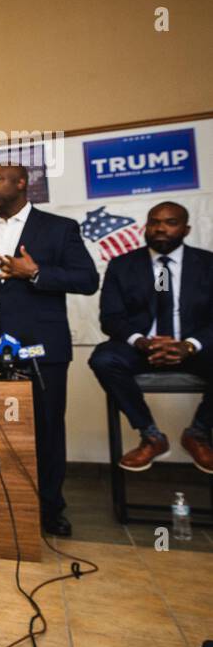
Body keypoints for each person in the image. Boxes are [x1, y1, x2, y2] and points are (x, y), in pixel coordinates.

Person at [0, 162, 99, 537]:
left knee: (46, 430)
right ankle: (2, 504)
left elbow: (87, 280)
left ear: (22, 183)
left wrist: (34, 273)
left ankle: (49, 508)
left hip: (42, 350)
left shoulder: (58, 229)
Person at [88, 201, 213, 473]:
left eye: (170, 222)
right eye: (154, 222)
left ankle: (199, 433)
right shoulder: (122, 266)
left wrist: (189, 346)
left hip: (193, 348)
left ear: (186, 228)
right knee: (103, 358)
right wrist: (141, 341)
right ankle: (151, 435)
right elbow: (111, 318)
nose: (160, 229)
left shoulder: (208, 264)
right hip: (143, 348)